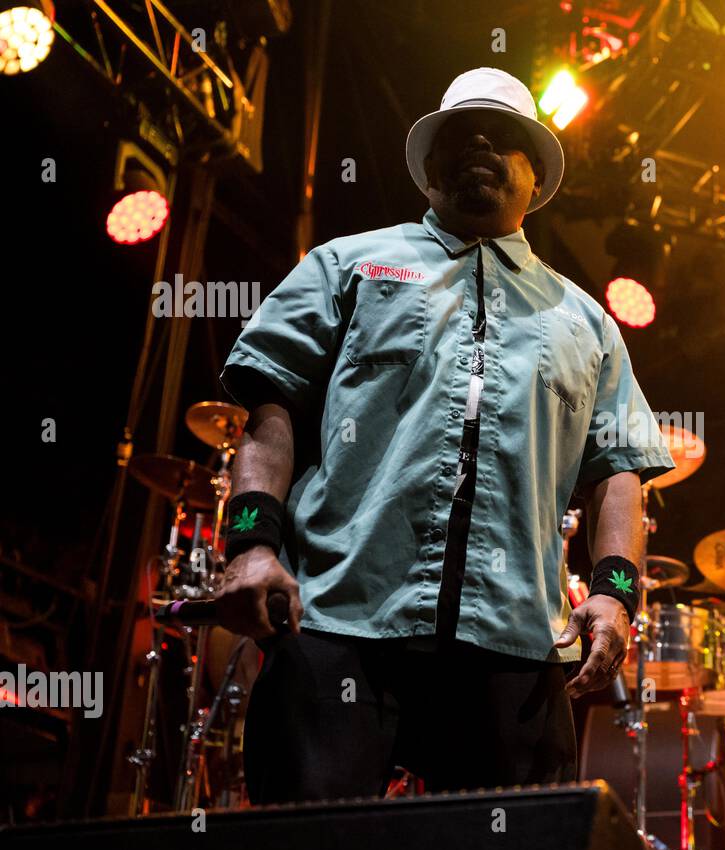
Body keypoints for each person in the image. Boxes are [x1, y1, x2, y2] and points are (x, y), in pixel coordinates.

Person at [213, 67, 674, 803]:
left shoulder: (588, 323)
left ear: (537, 177)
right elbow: (272, 411)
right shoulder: (347, 264)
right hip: (341, 617)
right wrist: (250, 547)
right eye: (462, 134)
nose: (482, 144)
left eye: (507, 138)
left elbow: (618, 470)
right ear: (430, 168)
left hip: (514, 640)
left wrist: (617, 596)